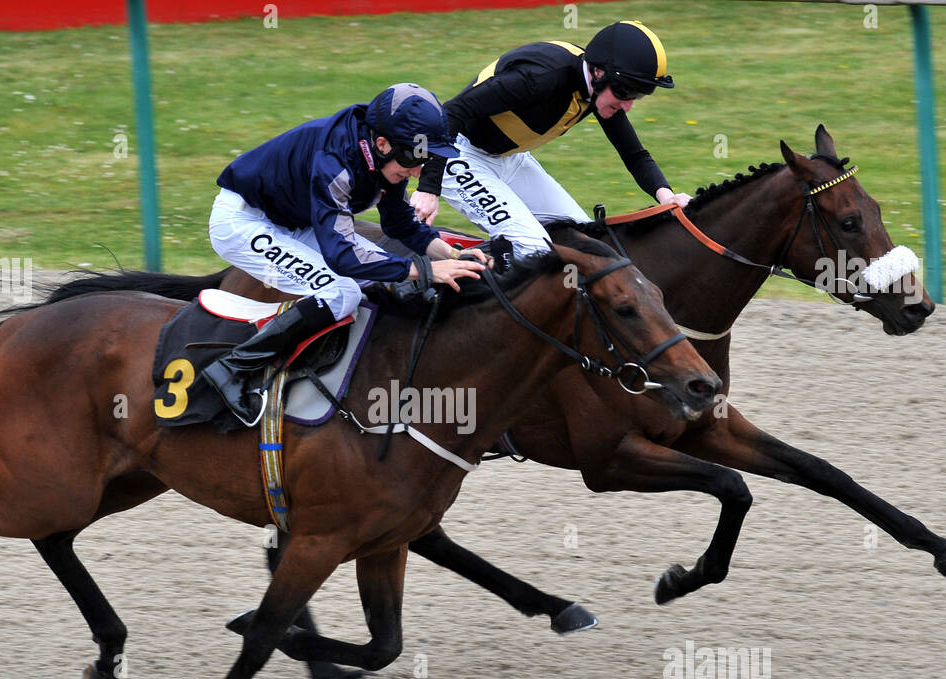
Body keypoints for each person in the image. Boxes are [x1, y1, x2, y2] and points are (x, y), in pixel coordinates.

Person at [206, 82, 486, 426]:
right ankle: (232, 369)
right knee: (341, 291)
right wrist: (425, 269)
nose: (416, 172)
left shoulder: (382, 149)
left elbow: (400, 223)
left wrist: (451, 256)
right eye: (414, 160)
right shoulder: (335, 161)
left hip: (296, 221)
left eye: (424, 161)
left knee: (381, 278)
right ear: (382, 144)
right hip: (244, 222)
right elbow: (344, 258)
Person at [411, 20, 692, 257]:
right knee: (534, 248)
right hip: (459, 155)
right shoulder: (540, 77)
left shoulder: (598, 88)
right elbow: (451, 113)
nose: (628, 105)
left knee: (590, 246)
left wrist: (668, 199)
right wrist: (428, 187)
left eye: (637, 96)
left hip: (510, 160)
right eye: (627, 94)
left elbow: (634, 155)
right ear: (598, 72)